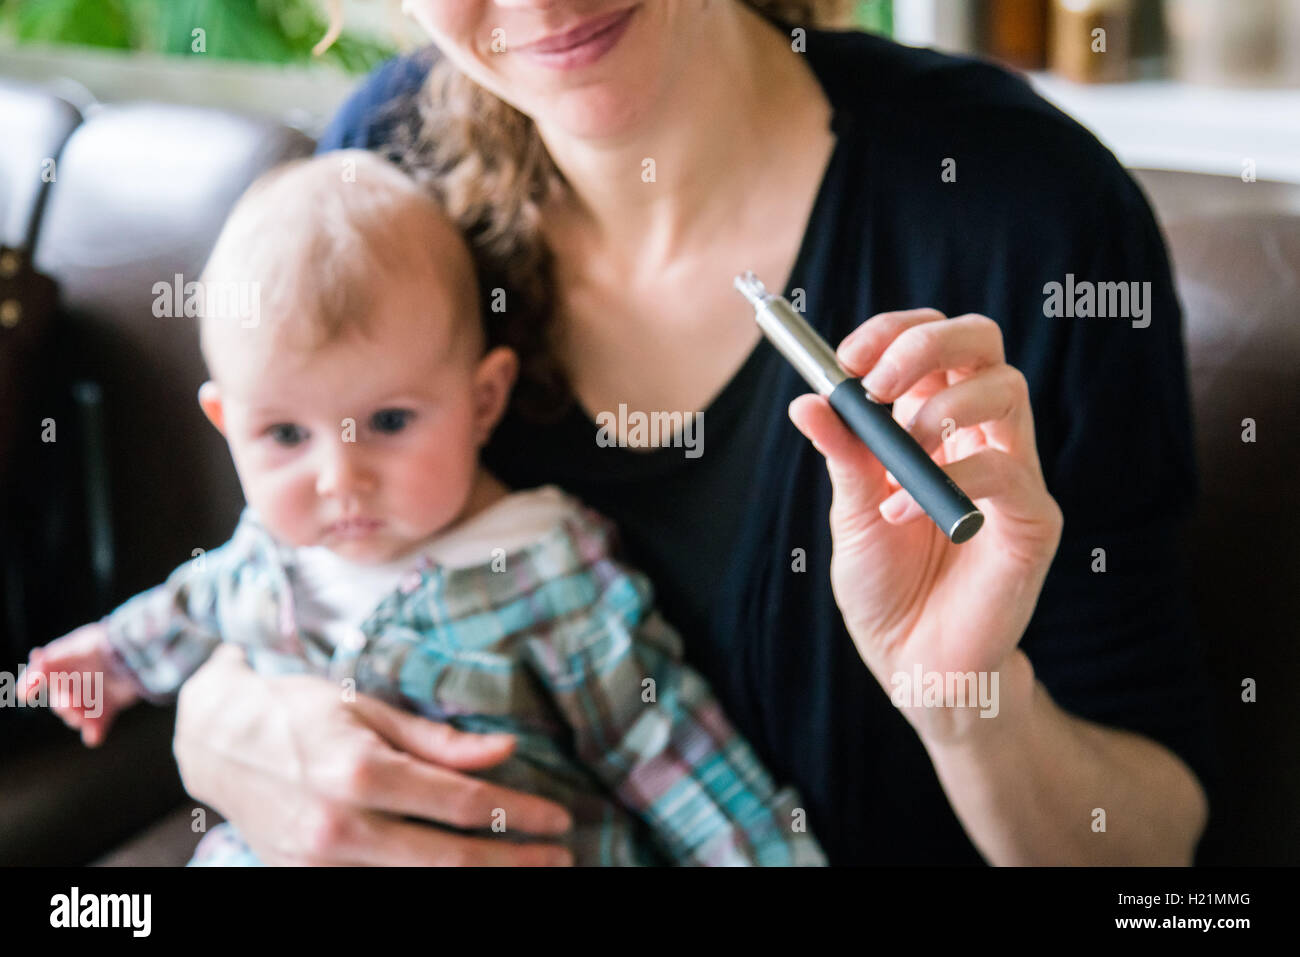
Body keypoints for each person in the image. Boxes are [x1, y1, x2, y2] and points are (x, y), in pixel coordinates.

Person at [167, 1, 1221, 865]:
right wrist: (218, 736)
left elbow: (1151, 854)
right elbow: (282, 578)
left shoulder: (1024, 208)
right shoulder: (388, 176)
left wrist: (968, 708)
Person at [20, 150, 825, 867]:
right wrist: (110, 660)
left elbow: (668, 754)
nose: (341, 478)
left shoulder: (547, 570)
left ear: (483, 400)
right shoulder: (267, 553)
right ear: (227, 424)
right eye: (286, 434)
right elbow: (189, 607)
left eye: (391, 422)